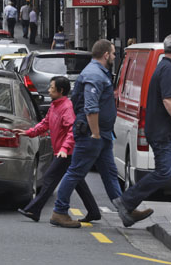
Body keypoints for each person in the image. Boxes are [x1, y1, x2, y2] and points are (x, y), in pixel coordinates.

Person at [113, 34, 171, 226]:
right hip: (166, 132)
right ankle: (126, 200)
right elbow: (168, 99)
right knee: (165, 171)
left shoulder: (167, 68)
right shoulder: (168, 70)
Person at [51, 40, 135, 228]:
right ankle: (59, 211)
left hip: (102, 133)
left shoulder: (100, 73)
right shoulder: (94, 74)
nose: (114, 57)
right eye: (113, 54)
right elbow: (90, 107)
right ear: (106, 55)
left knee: (110, 173)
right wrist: (95, 133)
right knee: (75, 171)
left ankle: (125, 210)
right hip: (92, 133)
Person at [13, 76, 100, 223]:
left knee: (49, 179)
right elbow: (45, 123)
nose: (48, 90)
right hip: (61, 151)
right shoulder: (55, 105)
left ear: (60, 91)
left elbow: (72, 131)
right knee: (79, 182)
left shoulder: (66, 108)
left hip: (67, 153)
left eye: (51, 88)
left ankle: (34, 209)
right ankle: (94, 212)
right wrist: (29, 132)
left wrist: (65, 149)